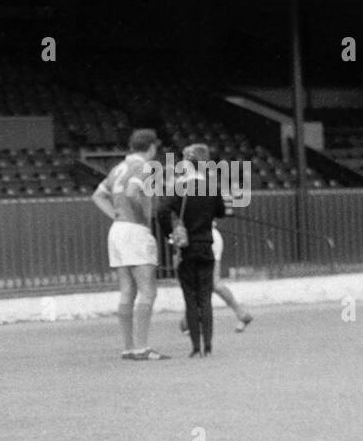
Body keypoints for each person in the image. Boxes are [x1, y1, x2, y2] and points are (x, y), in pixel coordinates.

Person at [92, 124, 169, 361]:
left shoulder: (119, 167)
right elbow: (134, 192)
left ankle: (128, 347)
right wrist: (141, 215)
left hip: (117, 230)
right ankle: (142, 347)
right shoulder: (146, 166)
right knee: (147, 291)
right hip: (135, 230)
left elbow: (98, 195)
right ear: (152, 147)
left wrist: (115, 214)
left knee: (127, 291)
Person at [175, 145, 253, 335]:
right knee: (204, 282)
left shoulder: (191, 182)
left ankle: (196, 319)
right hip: (200, 236)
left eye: (187, 156)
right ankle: (239, 314)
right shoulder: (197, 181)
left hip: (202, 237)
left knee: (209, 283)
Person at [164, 150, 227, 356]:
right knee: (205, 297)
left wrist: (170, 234)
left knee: (190, 299)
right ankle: (208, 345)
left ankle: (195, 346)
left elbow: (161, 211)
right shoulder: (211, 188)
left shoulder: (179, 189)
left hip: (186, 248)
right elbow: (221, 212)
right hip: (206, 246)